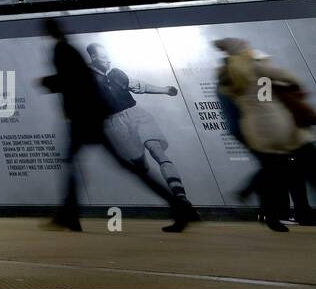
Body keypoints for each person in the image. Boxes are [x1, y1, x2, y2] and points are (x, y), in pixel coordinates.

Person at [40, 20, 196, 232]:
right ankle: (69, 215)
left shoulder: (64, 50)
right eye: (104, 57)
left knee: (82, 163)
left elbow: (76, 81)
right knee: (129, 167)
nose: (108, 59)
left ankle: (178, 205)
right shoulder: (71, 51)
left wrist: (49, 82)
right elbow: (80, 80)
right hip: (98, 119)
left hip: (89, 119)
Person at [216, 38, 316, 232]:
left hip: (255, 132)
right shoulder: (259, 73)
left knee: (277, 170)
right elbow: (282, 87)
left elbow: (236, 113)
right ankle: (273, 206)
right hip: (278, 129)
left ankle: (268, 209)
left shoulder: (227, 81)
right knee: (292, 168)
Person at [86, 43, 188, 203]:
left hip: (136, 115)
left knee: (157, 152)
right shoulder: (85, 78)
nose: (108, 60)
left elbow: (139, 86)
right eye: (104, 57)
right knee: (140, 165)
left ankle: (181, 197)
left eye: (108, 56)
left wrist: (165, 90)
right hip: (115, 125)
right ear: (93, 57)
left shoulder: (116, 73)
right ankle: (147, 173)